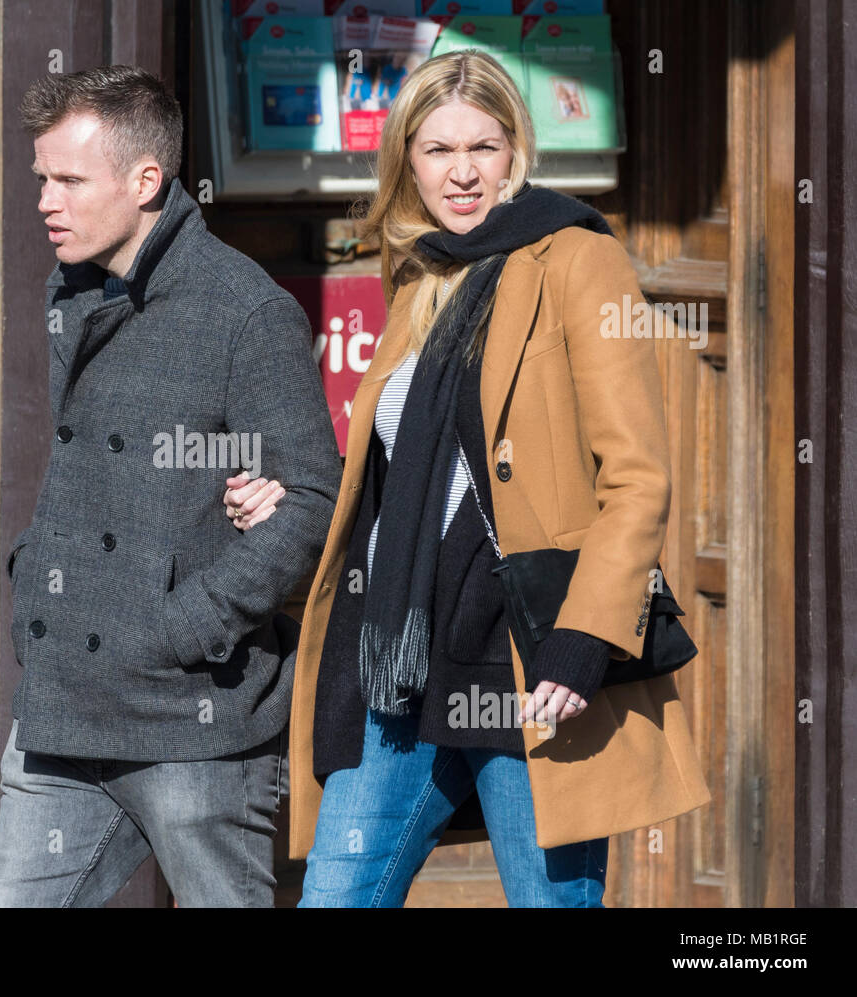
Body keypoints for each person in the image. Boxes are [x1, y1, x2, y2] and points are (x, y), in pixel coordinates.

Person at [225, 50, 711, 907]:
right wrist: (293, 500)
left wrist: (584, 638)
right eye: (438, 149)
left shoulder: (574, 258)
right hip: (399, 652)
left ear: (515, 150)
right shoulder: (424, 271)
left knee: (549, 901)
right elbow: (412, 460)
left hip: (524, 657)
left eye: (481, 148)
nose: (461, 172)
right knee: (334, 895)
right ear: (406, 159)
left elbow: (637, 475)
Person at [0, 65, 342, 908]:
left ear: (147, 181)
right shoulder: (74, 286)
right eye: (43, 178)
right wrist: (36, 576)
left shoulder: (243, 310)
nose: (47, 201)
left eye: (70, 180)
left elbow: (312, 502)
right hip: (65, 706)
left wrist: (186, 621)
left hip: (192, 724)